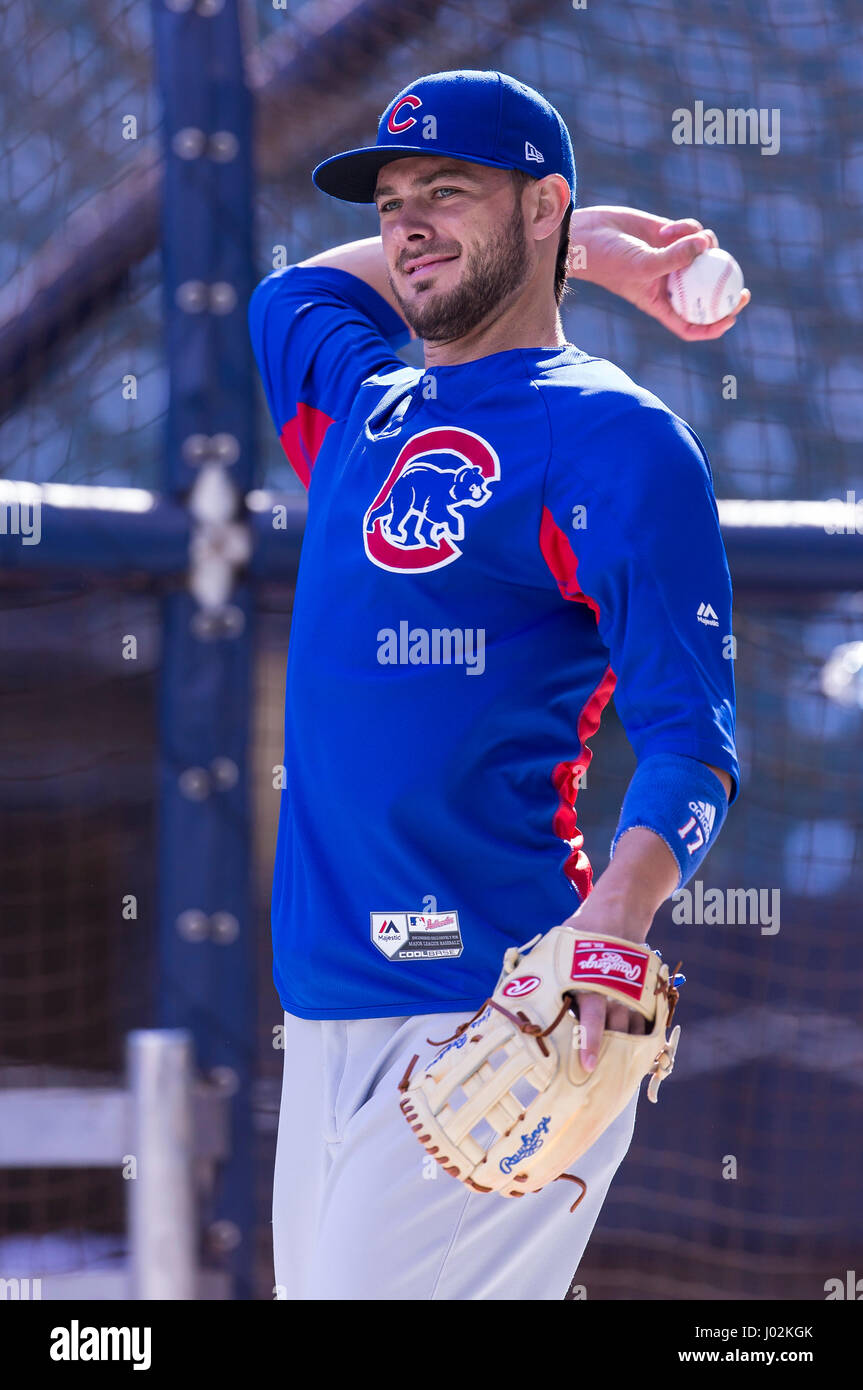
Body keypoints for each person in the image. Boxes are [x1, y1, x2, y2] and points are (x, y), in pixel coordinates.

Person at [249, 69, 744, 1301]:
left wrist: (608, 932)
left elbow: (691, 745)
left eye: (446, 191)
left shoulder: (614, 439)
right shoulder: (362, 406)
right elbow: (290, 293)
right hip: (320, 1018)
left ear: (537, 206)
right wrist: (584, 244)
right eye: (393, 197)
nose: (406, 222)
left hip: (490, 1016)